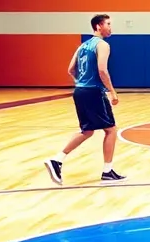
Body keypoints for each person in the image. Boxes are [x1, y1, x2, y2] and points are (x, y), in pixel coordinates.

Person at [44, 14, 126, 185]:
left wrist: (81, 82)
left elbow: (71, 69)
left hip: (80, 91)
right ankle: (107, 171)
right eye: (108, 24)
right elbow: (102, 71)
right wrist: (112, 92)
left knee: (87, 131)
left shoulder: (82, 46)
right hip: (94, 91)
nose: (111, 28)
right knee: (111, 130)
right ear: (98, 26)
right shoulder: (102, 45)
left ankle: (57, 160)